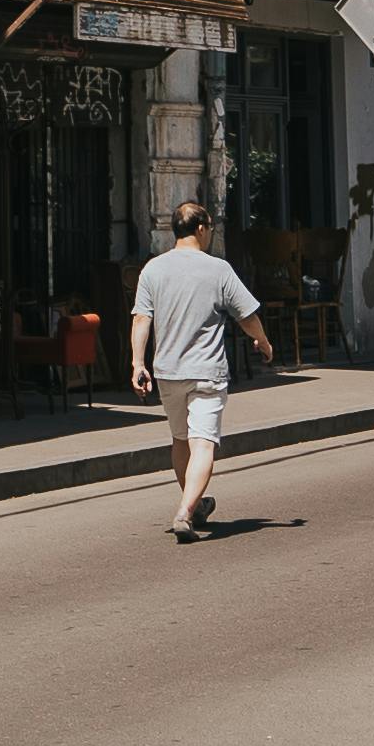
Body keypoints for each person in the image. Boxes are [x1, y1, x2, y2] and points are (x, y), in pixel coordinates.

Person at [129, 199, 272, 541]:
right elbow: (246, 315)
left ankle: (194, 505)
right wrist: (263, 342)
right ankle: (184, 512)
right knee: (203, 443)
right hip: (206, 371)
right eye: (210, 227)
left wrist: (138, 363)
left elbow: (141, 319)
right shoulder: (218, 269)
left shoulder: (152, 269)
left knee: (181, 441)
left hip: (168, 372)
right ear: (202, 228)